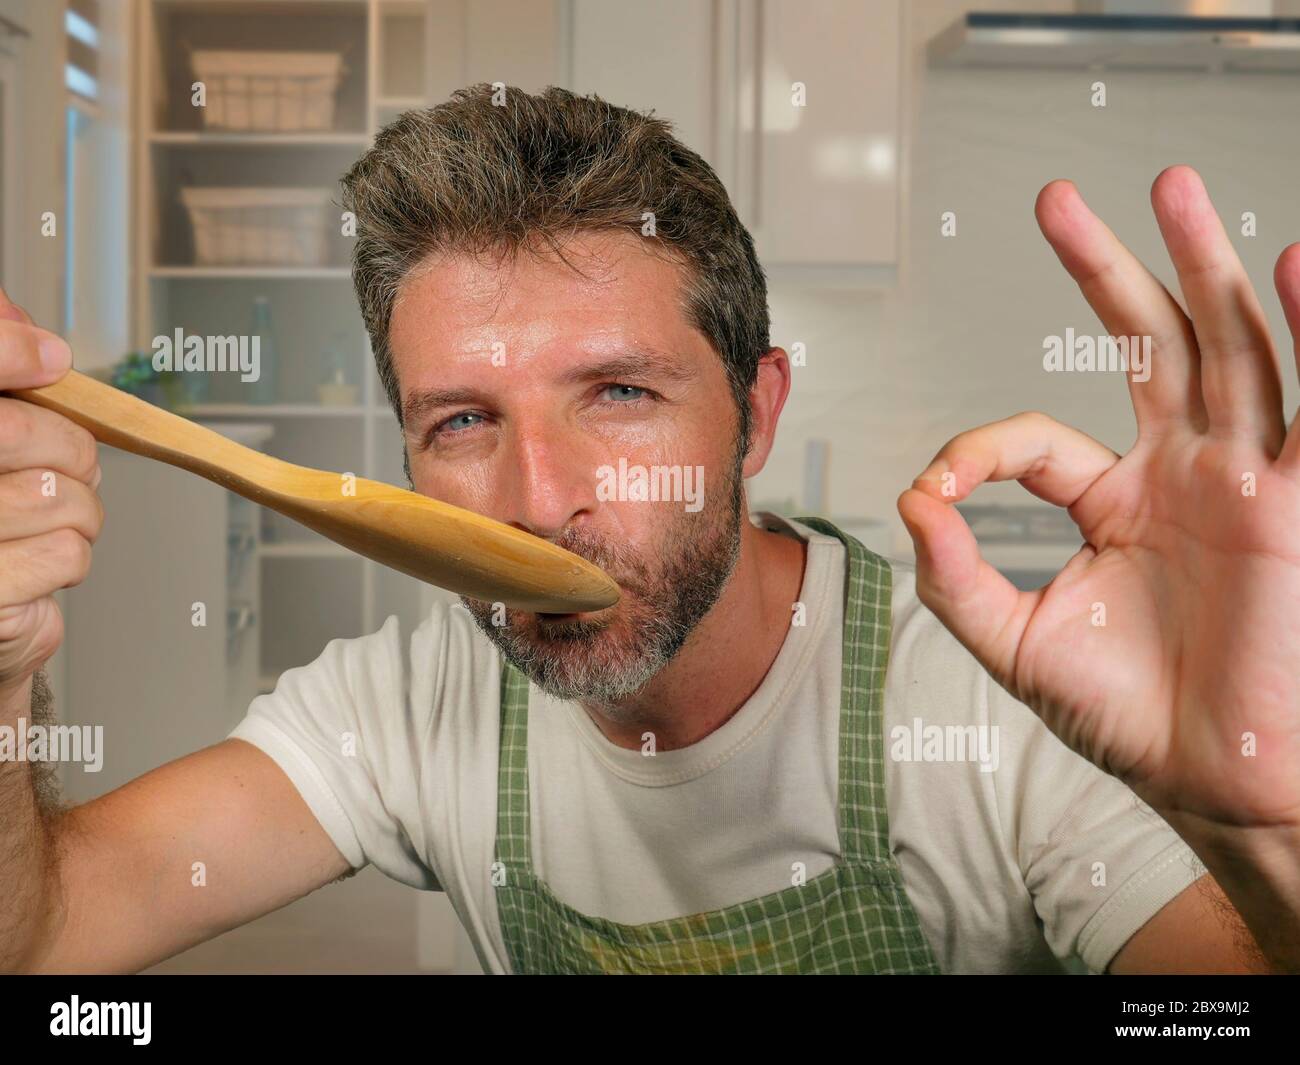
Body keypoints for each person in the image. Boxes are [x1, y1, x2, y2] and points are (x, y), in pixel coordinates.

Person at [2, 85, 1295, 974]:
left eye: (618, 393)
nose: (535, 495)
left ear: (755, 411)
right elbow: (44, 933)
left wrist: (1267, 830)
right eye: (460, 421)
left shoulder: (983, 709)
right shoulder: (411, 704)